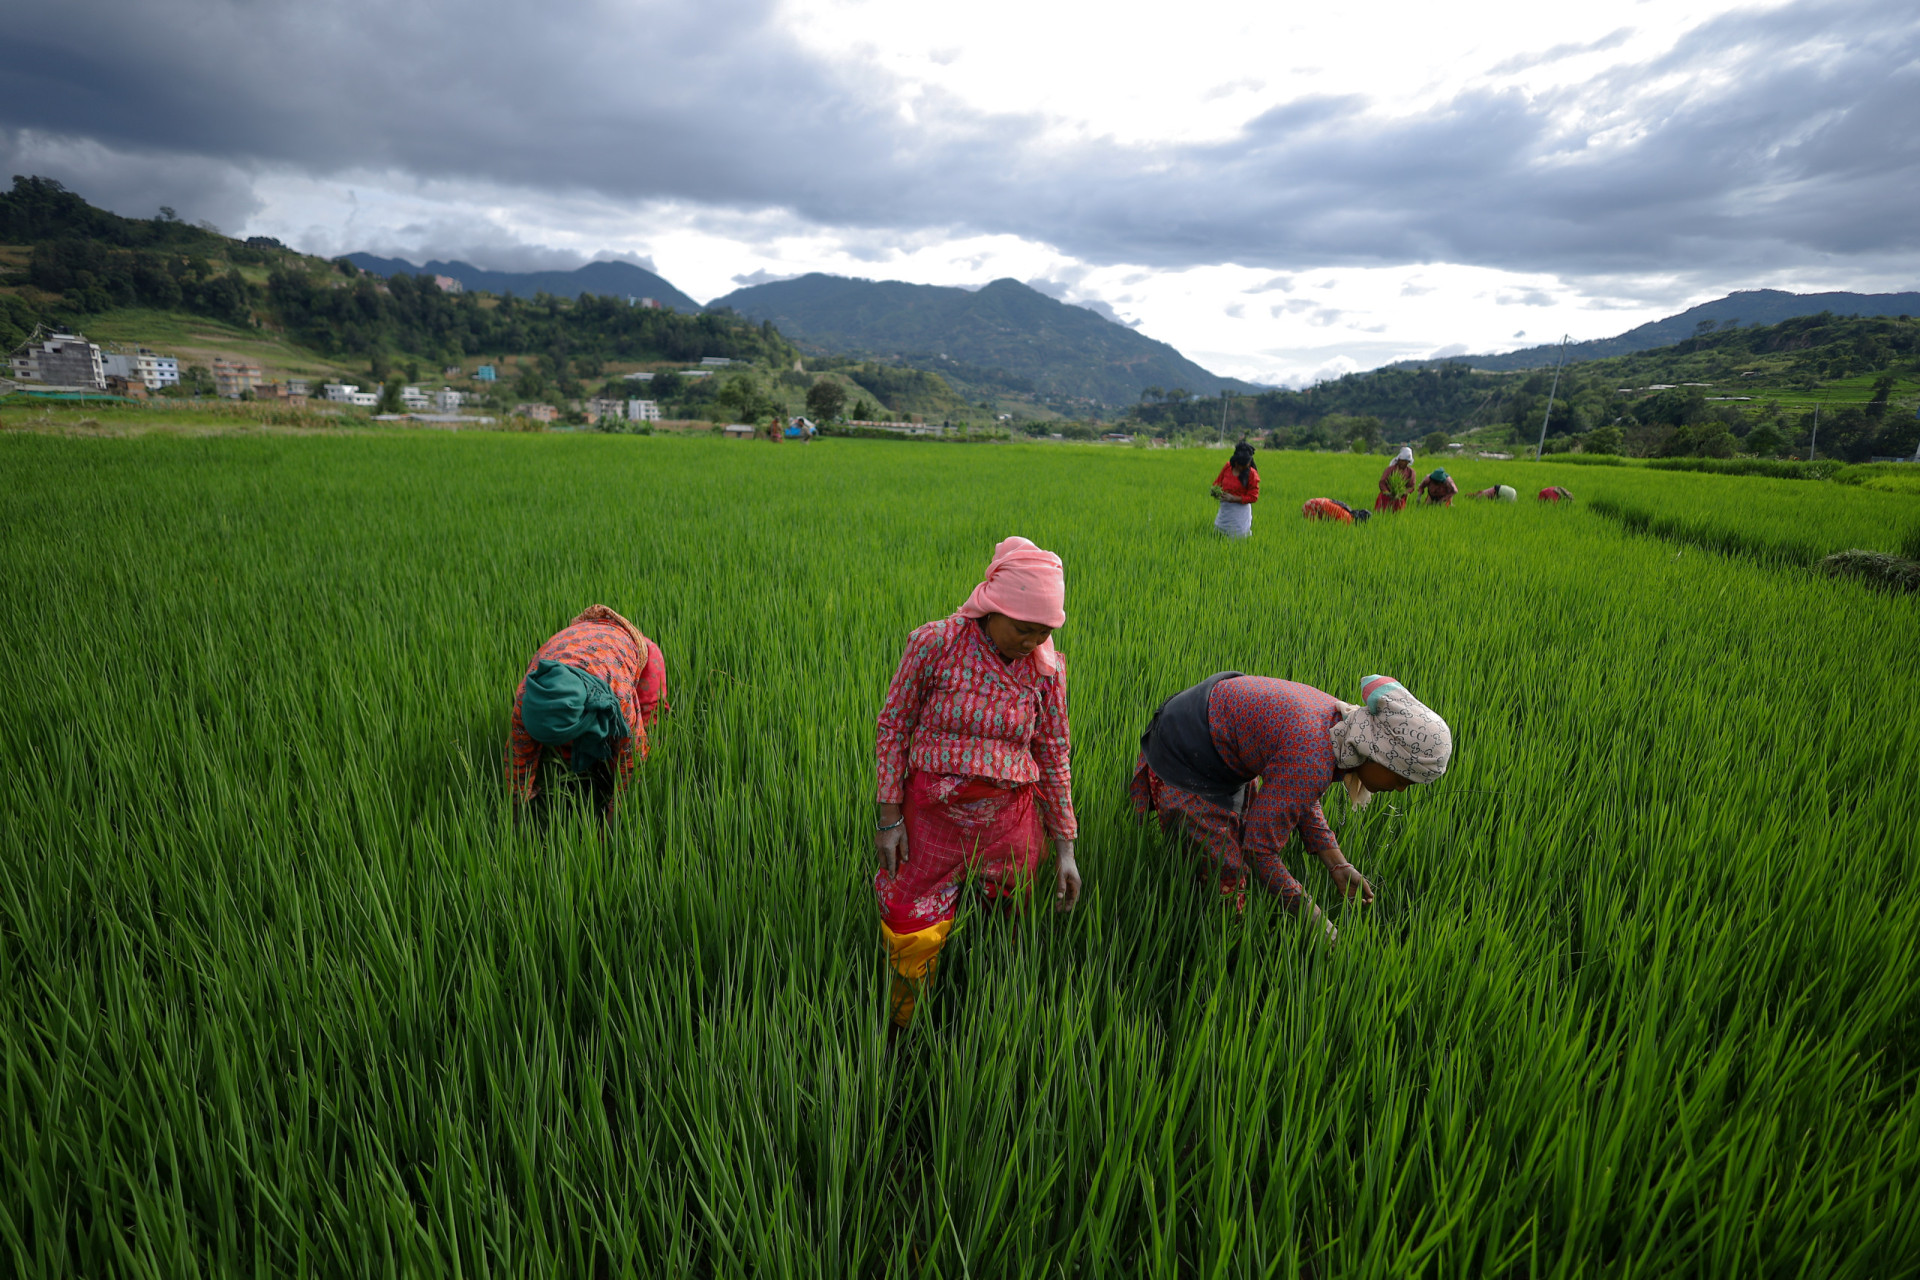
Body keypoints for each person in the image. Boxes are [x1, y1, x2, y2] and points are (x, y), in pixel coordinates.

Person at [873, 536, 1080, 1026]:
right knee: (911, 921)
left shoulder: (1048, 670)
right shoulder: (936, 643)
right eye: (1023, 628)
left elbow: (1052, 753)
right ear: (992, 606)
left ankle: (988, 1013)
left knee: (1007, 922)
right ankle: (902, 1024)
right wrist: (888, 817)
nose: (1031, 642)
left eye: (1043, 632)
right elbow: (894, 725)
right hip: (933, 816)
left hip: (1009, 823)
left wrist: (1066, 847)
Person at [1132, 673, 1451, 943]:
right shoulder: (1313, 754)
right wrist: (1312, 917)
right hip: (1187, 754)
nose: (1398, 789)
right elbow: (1260, 850)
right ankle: (1218, 952)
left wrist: (1338, 864)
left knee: (1245, 826)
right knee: (1224, 874)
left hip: (1210, 730)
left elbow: (1298, 795)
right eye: (1402, 779)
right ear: (1380, 751)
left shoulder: (1340, 725)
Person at [507, 605, 668, 822]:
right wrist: (517, 815)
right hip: (580, 641)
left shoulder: (617, 697)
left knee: (643, 733)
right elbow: (519, 753)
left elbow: (633, 761)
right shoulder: (528, 693)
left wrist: (610, 828)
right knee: (566, 748)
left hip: (635, 651)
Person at [1211, 440, 1260, 538]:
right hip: (1225, 510)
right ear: (1235, 460)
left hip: (1240, 513)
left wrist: (1234, 498)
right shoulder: (1228, 466)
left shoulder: (1252, 474)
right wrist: (1215, 491)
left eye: (1244, 466)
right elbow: (1217, 483)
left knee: (1237, 539)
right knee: (1219, 536)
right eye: (1239, 465)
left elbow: (1253, 497)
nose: (1241, 468)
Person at [1375, 447, 1416, 513]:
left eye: (1406, 461)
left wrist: (1403, 492)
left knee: (1396, 515)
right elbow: (1382, 482)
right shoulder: (1390, 469)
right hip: (1386, 497)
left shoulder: (1411, 472)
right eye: (1402, 461)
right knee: (1382, 514)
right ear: (1399, 460)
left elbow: (1411, 486)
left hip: (1400, 499)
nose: (1404, 463)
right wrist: (1387, 492)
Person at [1302, 497, 1371, 525]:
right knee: (1314, 529)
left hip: (1314, 502)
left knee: (1321, 525)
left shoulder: (1349, 511)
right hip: (1311, 506)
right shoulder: (1348, 520)